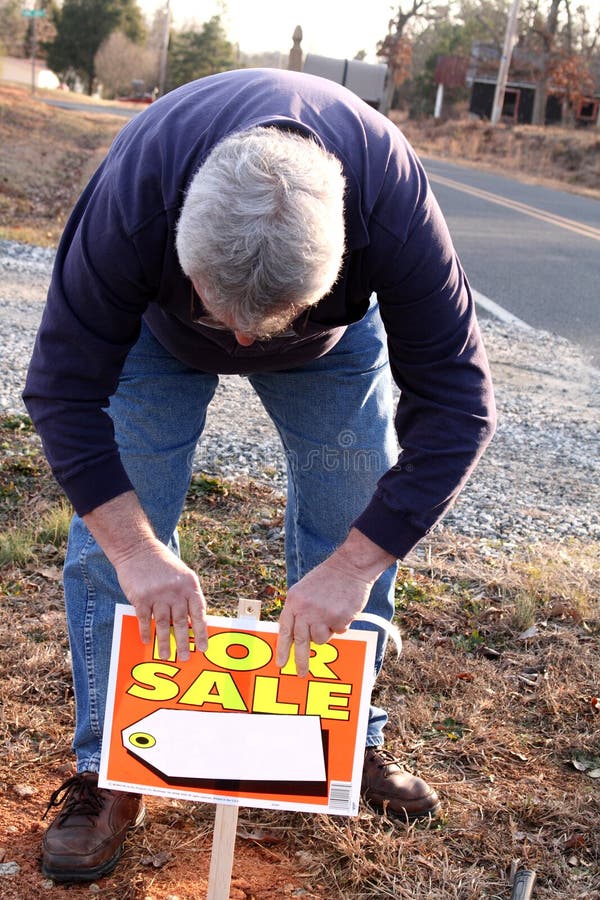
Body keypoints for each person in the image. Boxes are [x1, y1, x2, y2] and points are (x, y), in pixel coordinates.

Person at [24, 68, 496, 883]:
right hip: (153, 337)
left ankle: (351, 735)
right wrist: (140, 554)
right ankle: (110, 768)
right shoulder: (133, 201)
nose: (241, 343)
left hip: (331, 347)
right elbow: (63, 390)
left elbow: (459, 407)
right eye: (222, 314)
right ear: (178, 241)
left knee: (358, 501)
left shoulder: (392, 206)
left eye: (263, 324)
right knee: (112, 550)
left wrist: (351, 566)